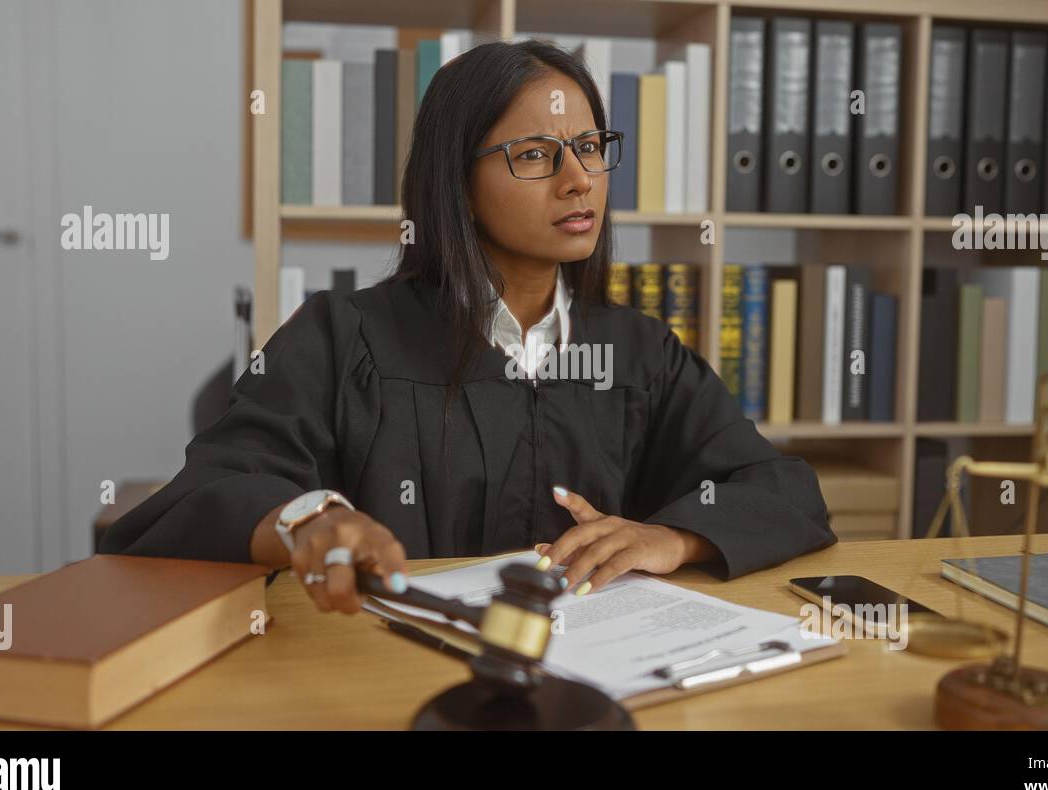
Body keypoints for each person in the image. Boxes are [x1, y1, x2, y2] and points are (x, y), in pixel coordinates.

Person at [100, 39, 835, 615]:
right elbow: (216, 485)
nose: (579, 179)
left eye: (589, 147)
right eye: (536, 156)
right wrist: (307, 521)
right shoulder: (344, 337)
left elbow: (779, 486)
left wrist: (670, 536)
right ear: (456, 183)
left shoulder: (637, 354)